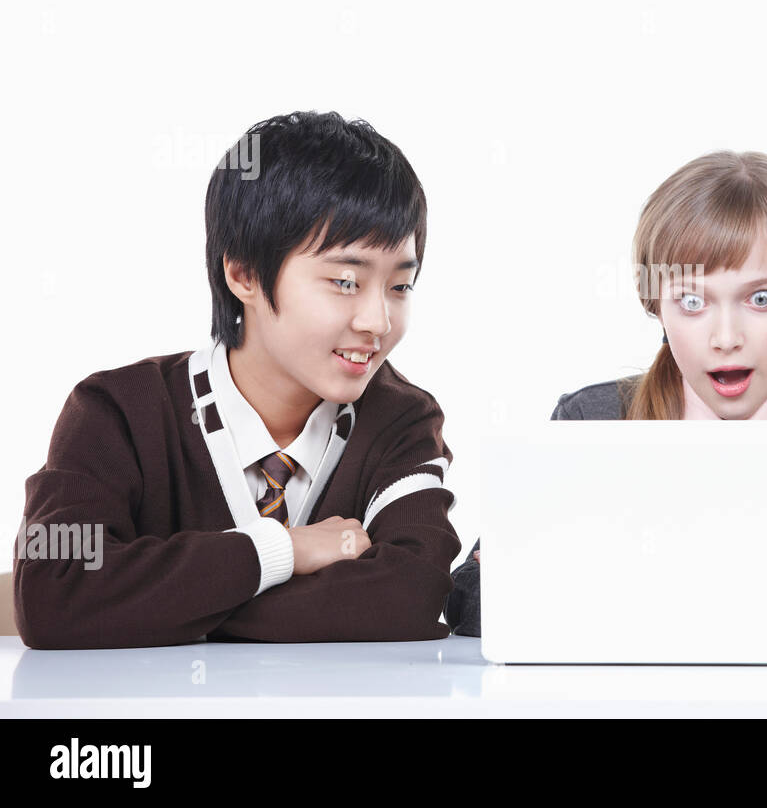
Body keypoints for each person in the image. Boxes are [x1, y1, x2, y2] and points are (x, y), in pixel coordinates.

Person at [14, 111, 460, 648]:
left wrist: (171, 605)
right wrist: (285, 550)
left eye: (400, 287)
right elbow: (53, 588)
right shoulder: (116, 412)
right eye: (345, 281)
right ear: (244, 273)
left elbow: (412, 595)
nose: (377, 322)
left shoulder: (402, 418)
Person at [445, 150, 767, 636]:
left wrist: (579, 574)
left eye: (760, 298)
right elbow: (473, 601)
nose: (726, 336)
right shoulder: (591, 419)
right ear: (656, 305)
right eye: (692, 301)